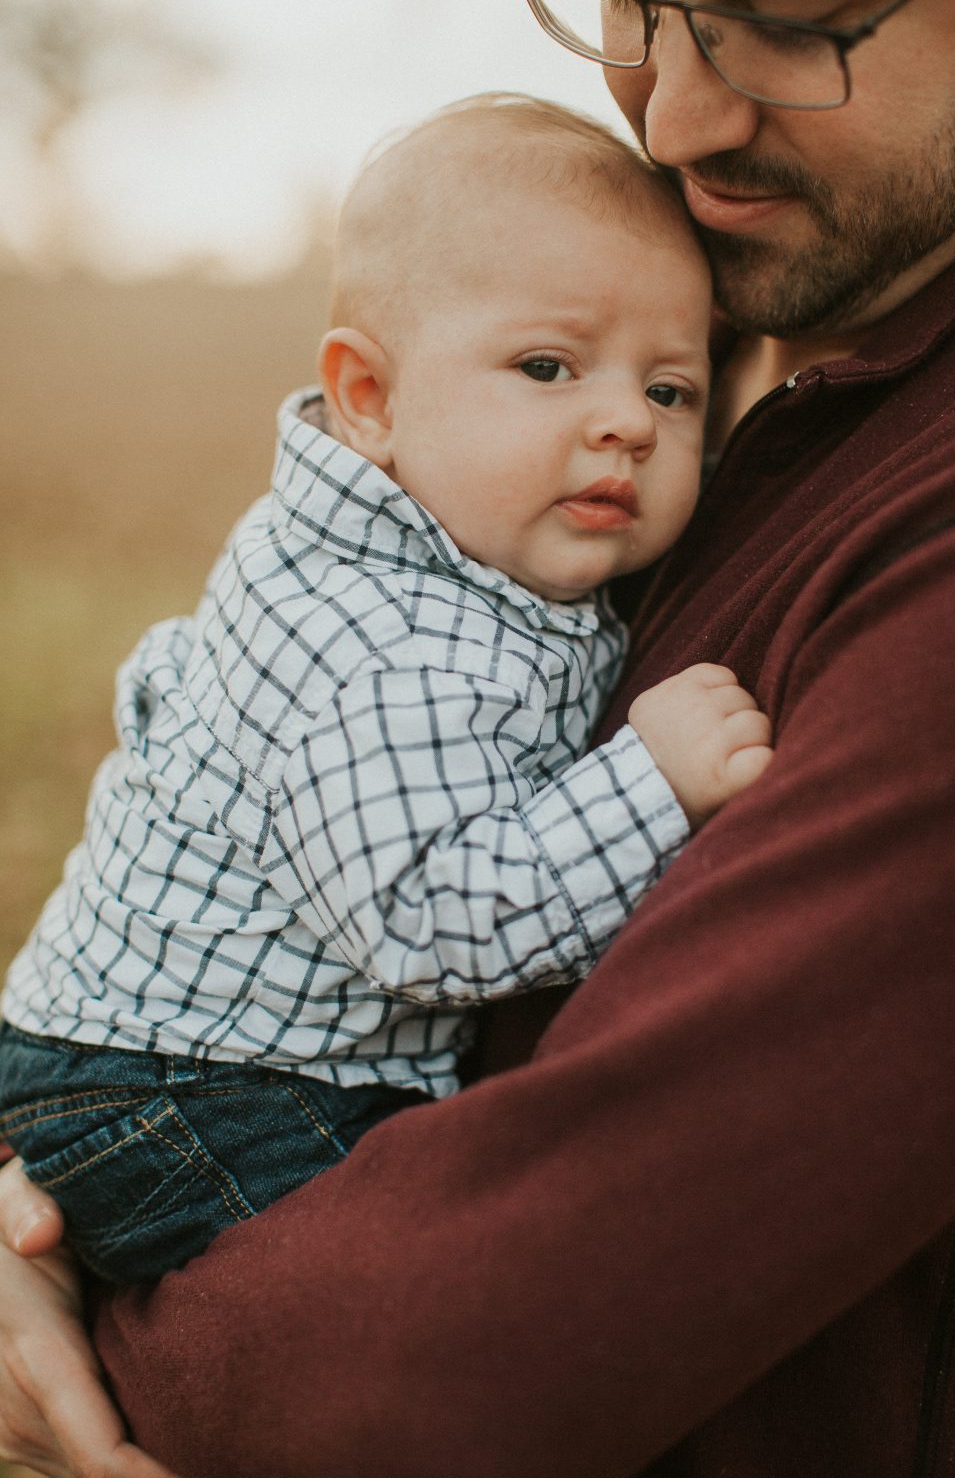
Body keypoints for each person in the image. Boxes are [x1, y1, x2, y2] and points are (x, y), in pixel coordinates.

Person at [1, 0, 955, 1472]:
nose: (671, 115)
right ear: (367, 394)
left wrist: (96, 1338)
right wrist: (49, 1225)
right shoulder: (480, 556)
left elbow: (463, 1341)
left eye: (780, 11)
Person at [0, 94, 772, 1286]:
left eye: (671, 390)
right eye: (547, 367)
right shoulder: (383, 636)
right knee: (435, 1286)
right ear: (369, 398)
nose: (626, 421)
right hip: (192, 1086)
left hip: (165, 1064)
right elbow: (427, 923)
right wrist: (651, 785)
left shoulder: (455, 541)